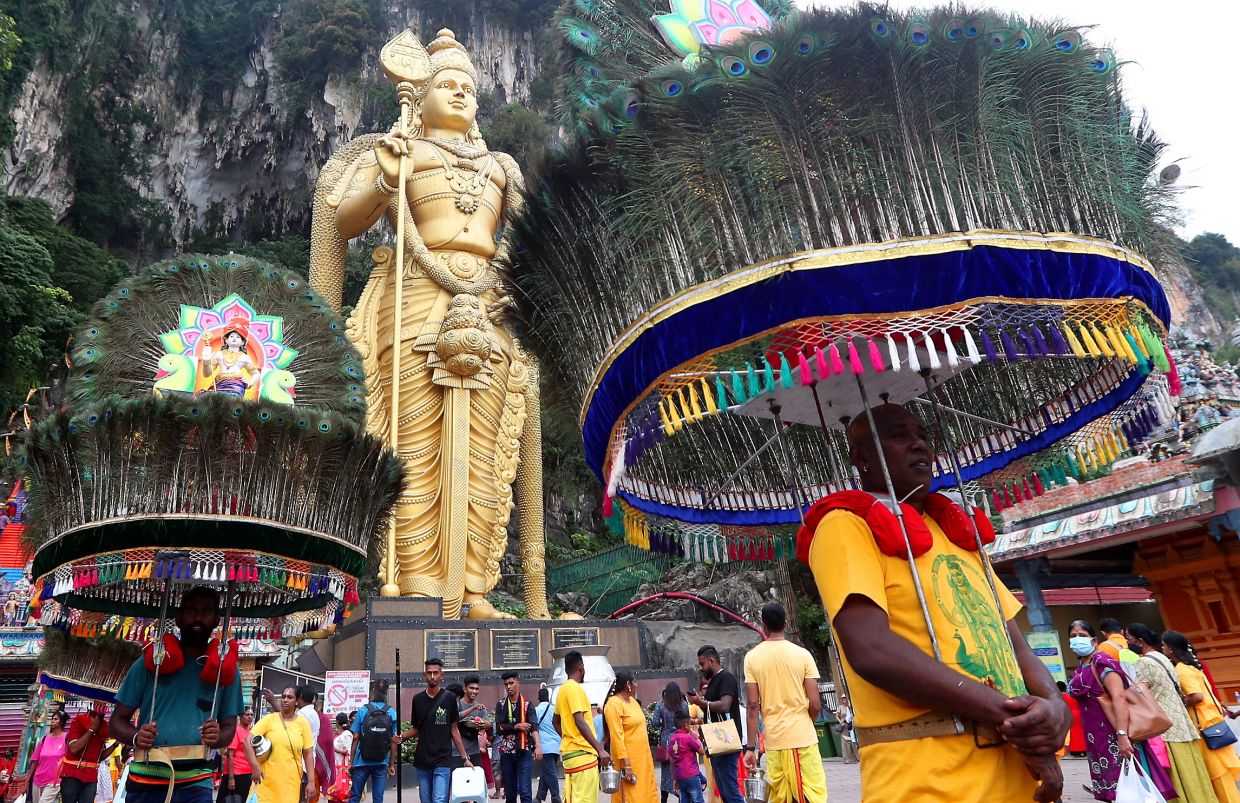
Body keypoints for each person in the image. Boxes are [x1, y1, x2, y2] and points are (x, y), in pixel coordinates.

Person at [799, 403, 1071, 802]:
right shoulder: (845, 524)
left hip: (1018, 774)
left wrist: (1054, 706)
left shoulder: (954, 529)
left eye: (922, 435)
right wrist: (1012, 717)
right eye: (898, 435)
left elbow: (1011, 640)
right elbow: (872, 650)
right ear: (860, 458)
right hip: (929, 779)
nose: (919, 445)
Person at [109, 586, 243, 803]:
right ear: (178, 618)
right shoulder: (151, 662)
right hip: (147, 778)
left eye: (206, 611)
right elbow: (116, 722)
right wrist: (136, 736)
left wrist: (218, 736)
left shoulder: (225, 670)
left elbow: (229, 727)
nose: (198, 617)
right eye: (191, 611)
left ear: (217, 620)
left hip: (197, 780)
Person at [1066, 621, 1176, 801]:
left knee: (1133, 788)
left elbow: (1119, 697)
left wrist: (1122, 736)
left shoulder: (1102, 662)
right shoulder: (1082, 667)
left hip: (1115, 733)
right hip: (1097, 739)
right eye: (1073, 636)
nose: (1077, 640)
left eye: (1082, 636)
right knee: (1115, 792)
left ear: (1094, 641)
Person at [742, 602, 826, 803]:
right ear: (786, 624)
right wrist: (805, 722)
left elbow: (753, 706)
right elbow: (815, 703)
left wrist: (750, 748)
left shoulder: (752, 658)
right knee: (810, 795)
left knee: (782, 796)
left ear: (764, 626)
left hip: (774, 740)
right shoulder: (803, 655)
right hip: (803, 737)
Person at [1125, 624, 1215, 803]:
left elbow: (1141, 694)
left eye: (1129, 638)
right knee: (1194, 772)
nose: (1127, 642)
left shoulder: (1144, 662)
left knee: (1178, 774)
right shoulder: (1163, 658)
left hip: (1166, 728)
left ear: (1140, 641)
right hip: (1182, 723)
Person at [1164, 631, 1240, 803]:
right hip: (1212, 721)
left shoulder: (1182, 670)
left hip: (1203, 725)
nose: (1163, 648)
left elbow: (1197, 697)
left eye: (1164, 645)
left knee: (1216, 771)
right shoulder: (1193, 666)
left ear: (1171, 649)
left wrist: (1180, 701)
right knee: (1222, 770)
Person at [396, 658, 473, 803]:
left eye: (435, 673)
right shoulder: (417, 699)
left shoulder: (449, 698)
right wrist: (400, 736)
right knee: (426, 800)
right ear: (424, 675)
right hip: (422, 759)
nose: (432, 676)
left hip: (442, 758)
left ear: (441, 675)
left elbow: (454, 729)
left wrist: (464, 758)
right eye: (429, 673)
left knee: (439, 800)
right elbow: (415, 729)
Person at [687, 646, 744, 803]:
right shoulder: (713, 682)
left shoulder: (726, 678)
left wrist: (701, 702)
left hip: (726, 740)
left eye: (702, 663)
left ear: (711, 661)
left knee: (731, 791)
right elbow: (711, 706)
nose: (700, 668)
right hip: (716, 741)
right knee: (724, 791)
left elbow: (725, 705)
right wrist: (700, 702)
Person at [553, 650, 609, 803]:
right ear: (581, 668)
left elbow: (555, 721)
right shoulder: (575, 689)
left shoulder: (562, 690)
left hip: (570, 754)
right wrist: (600, 749)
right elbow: (579, 720)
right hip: (583, 755)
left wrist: (569, 737)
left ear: (565, 670)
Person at [249, 687, 316, 803]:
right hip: (266, 784)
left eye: (290, 697)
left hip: (290, 785)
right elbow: (247, 741)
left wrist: (311, 782)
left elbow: (308, 753)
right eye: (283, 697)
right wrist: (255, 766)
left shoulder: (303, 723)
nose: (285, 699)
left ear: (297, 701)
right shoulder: (269, 719)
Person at [603, 671, 657, 803]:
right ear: (628, 684)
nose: (637, 685)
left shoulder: (633, 701)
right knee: (632, 796)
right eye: (635, 682)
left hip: (643, 759)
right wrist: (627, 765)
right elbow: (616, 737)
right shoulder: (613, 704)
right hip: (628, 762)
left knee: (647, 793)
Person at [349, 679, 397, 803]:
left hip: (361, 761)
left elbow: (355, 737)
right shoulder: (391, 712)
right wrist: (391, 764)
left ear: (373, 692)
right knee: (378, 798)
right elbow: (394, 741)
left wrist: (351, 761)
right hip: (381, 761)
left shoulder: (363, 710)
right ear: (386, 693)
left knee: (355, 796)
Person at [496, 672, 542, 803]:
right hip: (506, 753)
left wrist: (538, 747)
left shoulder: (528, 705)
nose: (509, 687)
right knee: (510, 794)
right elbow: (499, 728)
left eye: (511, 683)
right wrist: (516, 726)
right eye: (506, 684)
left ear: (518, 683)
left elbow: (533, 727)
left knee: (525, 792)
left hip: (524, 751)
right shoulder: (501, 704)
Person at [62, 707, 120, 803]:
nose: (103, 710)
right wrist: (92, 729)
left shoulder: (104, 726)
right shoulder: (79, 720)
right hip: (72, 773)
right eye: (100, 706)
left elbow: (98, 757)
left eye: (104, 707)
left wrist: (114, 745)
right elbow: (74, 748)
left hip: (91, 776)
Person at [653, 683, 687, 803]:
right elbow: (686, 720)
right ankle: (682, 796)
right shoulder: (683, 705)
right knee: (681, 769)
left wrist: (664, 722)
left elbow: (655, 722)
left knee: (666, 772)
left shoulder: (661, 706)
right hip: (681, 739)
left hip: (666, 740)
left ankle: (664, 799)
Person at [29, 709, 69, 803]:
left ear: (62, 722)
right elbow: (35, 761)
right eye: (52, 718)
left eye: (56, 719)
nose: (52, 721)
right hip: (38, 779)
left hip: (55, 781)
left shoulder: (66, 738)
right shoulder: (44, 739)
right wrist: (26, 781)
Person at [220, 706, 255, 803]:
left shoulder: (251, 731)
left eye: (252, 715)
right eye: (247, 714)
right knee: (229, 800)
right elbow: (230, 755)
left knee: (241, 800)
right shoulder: (236, 731)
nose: (250, 717)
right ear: (241, 716)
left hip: (247, 773)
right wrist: (231, 778)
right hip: (235, 774)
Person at [668, 711, 705, 803]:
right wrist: (697, 737)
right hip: (692, 775)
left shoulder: (671, 740)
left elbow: (671, 761)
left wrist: (674, 778)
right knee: (698, 800)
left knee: (684, 800)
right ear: (686, 725)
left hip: (680, 776)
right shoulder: (688, 738)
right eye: (689, 724)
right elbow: (702, 751)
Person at [455, 676, 490, 770]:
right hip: (455, 753)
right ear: (465, 689)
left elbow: (488, 725)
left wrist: (484, 724)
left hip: (474, 752)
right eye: (471, 688)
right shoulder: (457, 704)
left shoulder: (480, 708)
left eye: (477, 689)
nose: (474, 691)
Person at [533, 688, 561, 803]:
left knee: (550, 772)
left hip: (544, 747)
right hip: (556, 746)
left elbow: (534, 727)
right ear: (548, 697)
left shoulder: (537, 710)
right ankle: (539, 797)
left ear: (539, 698)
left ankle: (556, 797)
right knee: (547, 771)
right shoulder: (554, 710)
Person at [1056, 681, 1087, 757]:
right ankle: (1083, 750)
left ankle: (1075, 751)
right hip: (1079, 714)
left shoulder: (1058, 697)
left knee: (1072, 733)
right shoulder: (1071, 696)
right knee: (1080, 732)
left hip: (1068, 714)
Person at [330, 713, 353, 802]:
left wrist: (335, 750)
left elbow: (348, 752)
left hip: (342, 766)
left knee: (341, 790)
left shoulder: (347, 734)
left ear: (337, 722)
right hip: (336, 765)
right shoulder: (341, 733)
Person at [835, 695, 857, 765]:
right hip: (844, 726)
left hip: (851, 725)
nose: (845, 701)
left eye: (845, 699)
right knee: (845, 742)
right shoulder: (840, 707)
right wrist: (840, 722)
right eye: (843, 699)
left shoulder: (850, 707)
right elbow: (836, 716)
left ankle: (855, 757)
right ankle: (846, 758)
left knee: (852, 741)